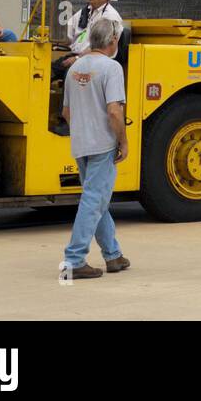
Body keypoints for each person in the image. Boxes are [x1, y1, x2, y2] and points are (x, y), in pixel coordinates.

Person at [60, 17, 130, 279]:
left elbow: (66, 112)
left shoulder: (75, 67)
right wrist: (123, 141)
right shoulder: (112, 68)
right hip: (102, 143)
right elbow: (114, 111)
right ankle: (74, 259)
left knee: (96, 199)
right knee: (93, 200)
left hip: (81, 144)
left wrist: (83, 130)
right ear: (113, 40)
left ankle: (113, 255)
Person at [52, 0, 123, 80]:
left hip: (96, 60)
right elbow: (67, 34)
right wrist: (53, 40)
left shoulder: (110, 16)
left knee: (62, 73)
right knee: (46, 69)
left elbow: (102, 46)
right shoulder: (84, 12)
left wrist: (77, 59)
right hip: (77, 56)